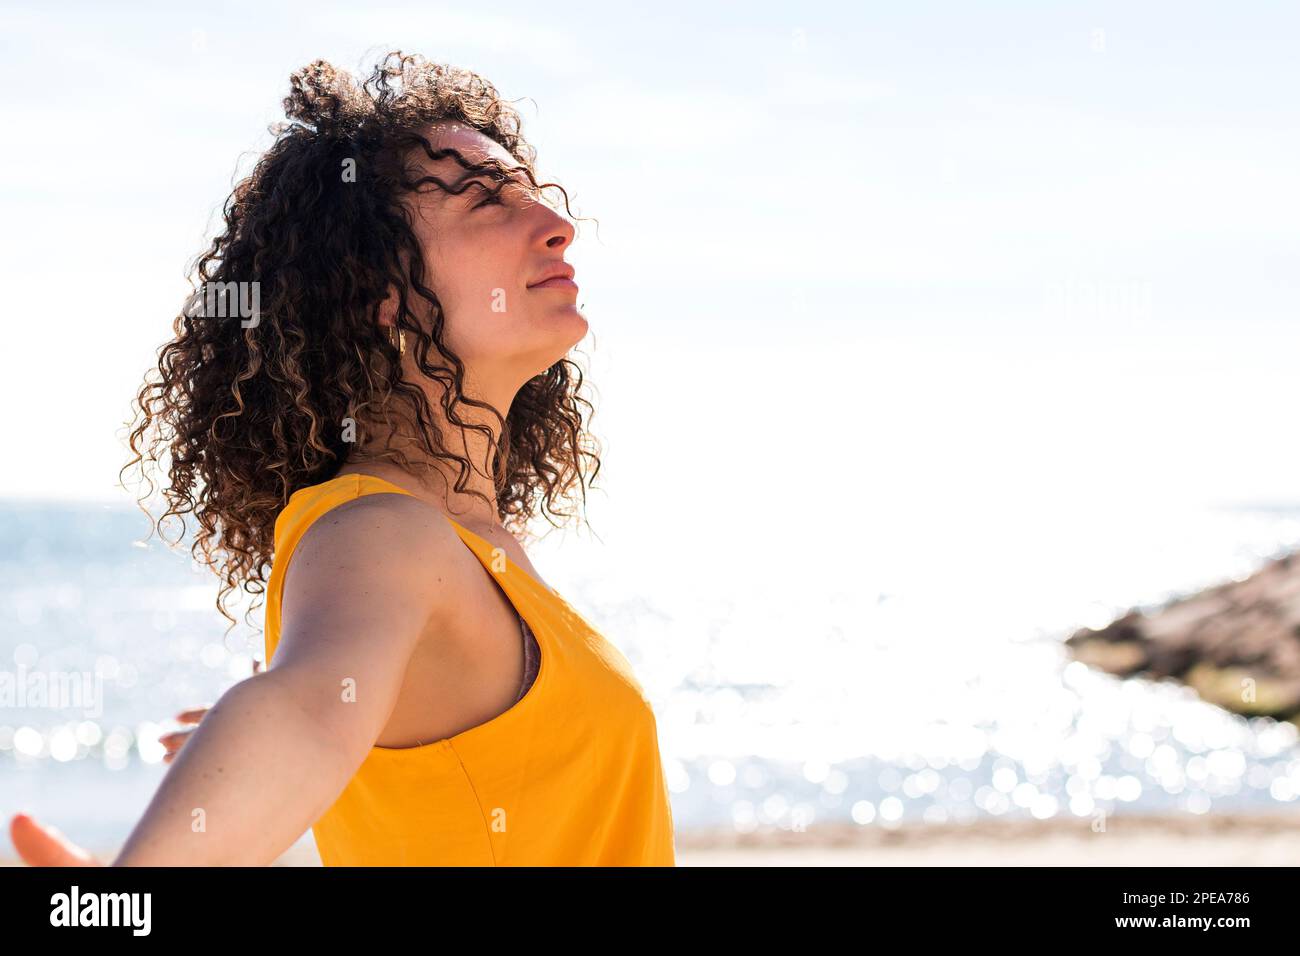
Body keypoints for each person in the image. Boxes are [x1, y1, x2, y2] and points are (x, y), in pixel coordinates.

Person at [8, 51, 675, 867]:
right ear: (379, 299)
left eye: (531, 191)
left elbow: (330, 717)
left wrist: (318, 741)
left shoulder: (463, 546)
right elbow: (302, 712)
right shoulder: (381, 532)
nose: (554, 220)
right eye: (484, 202)